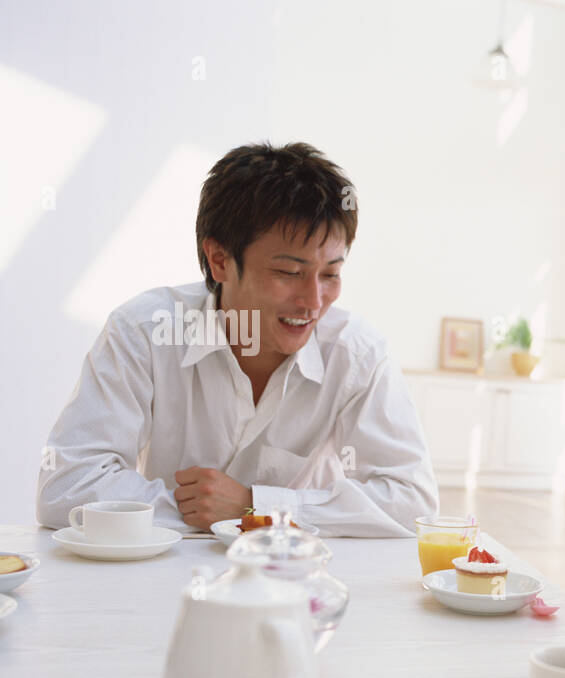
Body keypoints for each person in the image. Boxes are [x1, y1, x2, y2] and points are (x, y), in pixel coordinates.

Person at [36, 142, 438, 537]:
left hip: (302, 580)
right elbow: (65, 488)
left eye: (331, 274)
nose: (314, 301)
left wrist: (256, 507)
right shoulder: (144, 332)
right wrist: (207, 510)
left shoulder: (357, 353)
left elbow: (412, 502)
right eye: (288, 272)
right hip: (167, 580)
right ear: (220, 260)